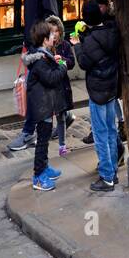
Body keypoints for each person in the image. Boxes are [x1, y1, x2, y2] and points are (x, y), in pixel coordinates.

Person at [8, 0, 60, 152]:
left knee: (33, 89)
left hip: (40, 46)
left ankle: (29, 132)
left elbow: (51, 15)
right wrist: (26, 39)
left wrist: (45, 42)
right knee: (40, 89)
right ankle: (61, 117)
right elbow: (30, 16)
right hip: (31, 44)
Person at [74, 0, 120, 192]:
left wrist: (77, 44)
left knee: (100, 133)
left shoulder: (91, 39)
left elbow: (85, 62)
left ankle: (107, 176)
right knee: (111, 129)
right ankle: (114, 171)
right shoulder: (110, 31)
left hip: (98, 90)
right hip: (111, 86)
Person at [23, 18, 65, 191]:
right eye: (51, 35)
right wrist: (61, 66)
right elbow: (50, 78)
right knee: (42, 141)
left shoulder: (43, 56)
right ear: (44, 40)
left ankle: (44, 167)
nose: (54, 37)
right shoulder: (40, 60)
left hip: (45, 106)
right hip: (42, 108)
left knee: (45, 139)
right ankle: (38, 176)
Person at [46, 15, 75, 156]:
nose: (54, 34)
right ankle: (69, 115)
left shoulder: (65, 46)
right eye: (51, 31)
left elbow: (71, 63)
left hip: (61, 86)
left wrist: (62, 61)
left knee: (60, 117)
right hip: (49, 85)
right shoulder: (45, 47)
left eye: (56, 31)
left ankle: (62, 146)